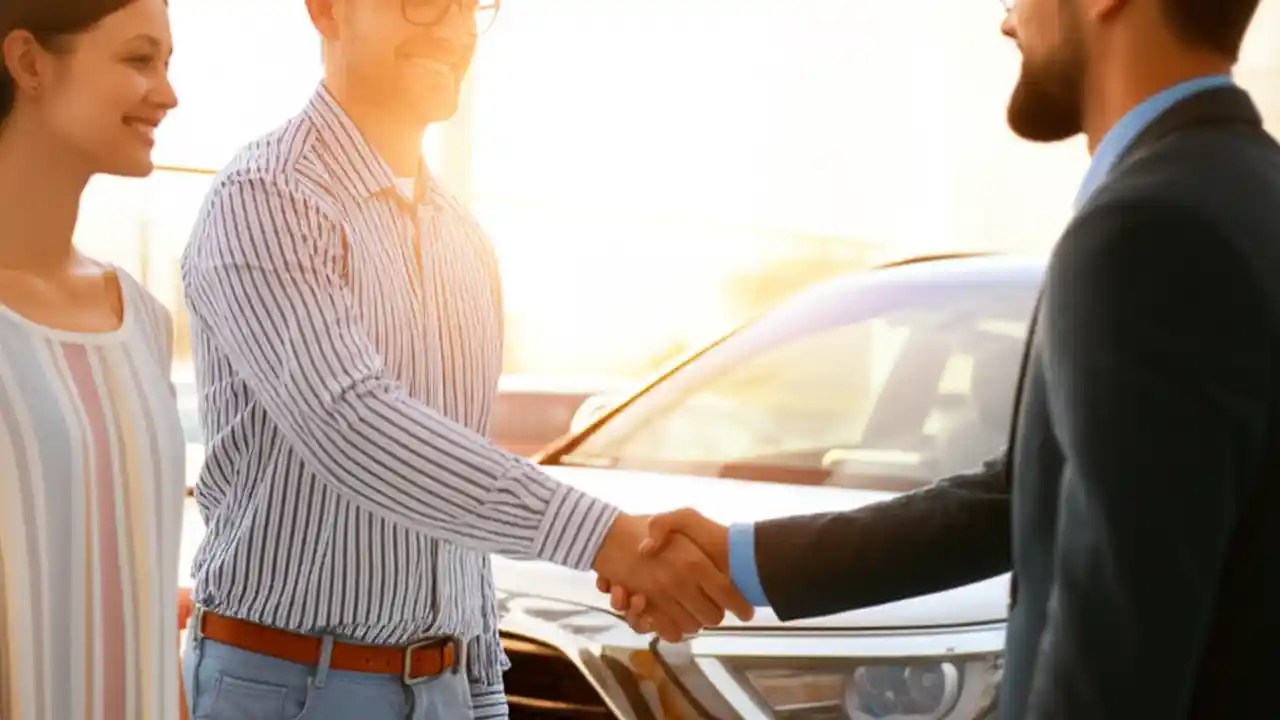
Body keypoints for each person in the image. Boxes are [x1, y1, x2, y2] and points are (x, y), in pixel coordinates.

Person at [601, 0, 1280, 717]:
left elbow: (1120, 641)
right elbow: (1023, 497)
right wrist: (744, 561)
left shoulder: (1147, 229)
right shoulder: (1242, 196)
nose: (1007, 20)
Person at [178, 0, 751, 718]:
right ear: (326, 10)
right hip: (291, 688)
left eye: (470, 4)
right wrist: (611, 541)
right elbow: (353, 425)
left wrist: (482, 693)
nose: (452, 27)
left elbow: (455, 487)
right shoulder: (267, 198)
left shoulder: (465, 239)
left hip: (448, 686)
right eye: (420, 2)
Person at [0, 1, 184, 719]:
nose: (167, 93)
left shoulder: (142, 320)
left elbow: (144, 597)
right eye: (139, 59)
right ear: (29, 63)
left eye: (168, 64)